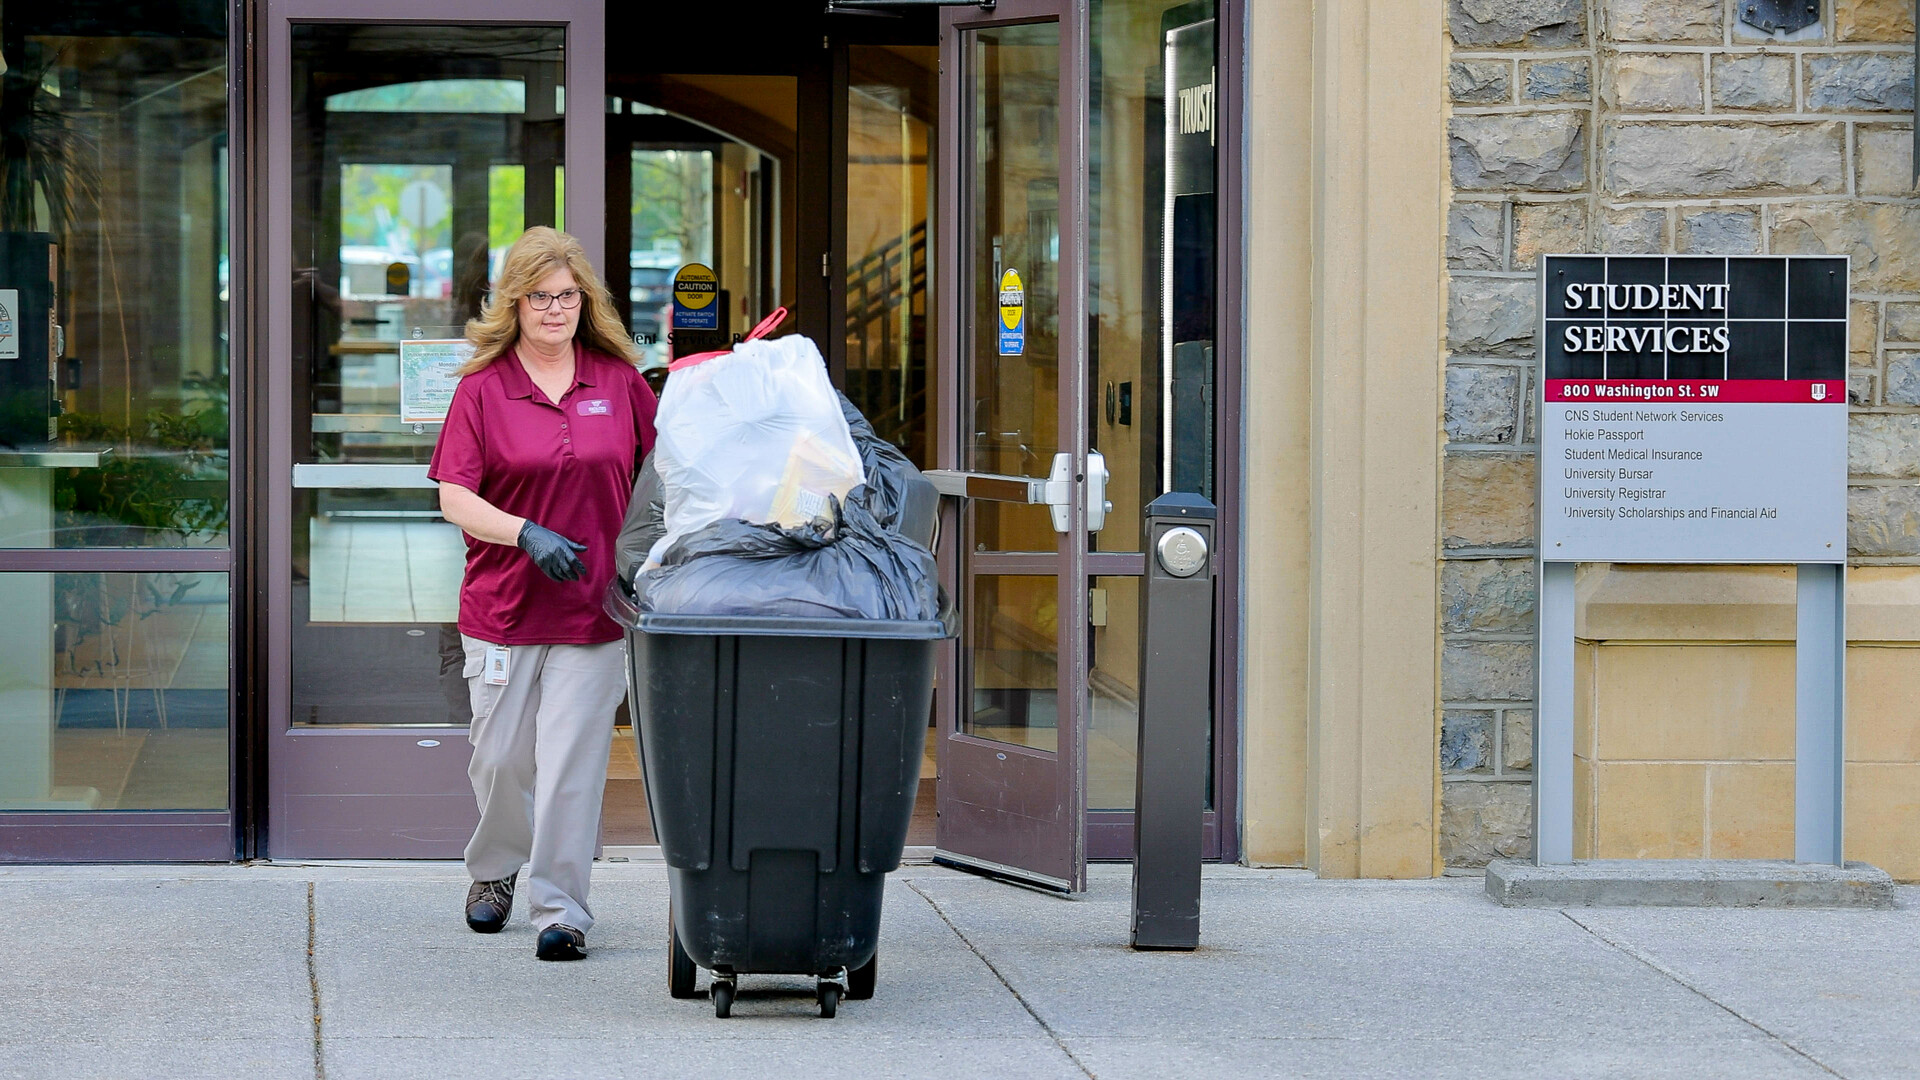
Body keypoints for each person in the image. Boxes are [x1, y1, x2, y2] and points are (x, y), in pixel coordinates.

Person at [427, 226, 658, 961]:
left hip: (594, 611)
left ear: (584, 303)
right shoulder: (483, 388)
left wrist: (644, 561)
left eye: (567, 297)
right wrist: (526, 533)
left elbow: (661, 483)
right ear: (515, 303)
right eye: (539, 298)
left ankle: (562, 910)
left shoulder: (619, 383)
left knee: (570, 767)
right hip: (503, 608)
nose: (554, 310)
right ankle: (493, 872)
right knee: (501, 758)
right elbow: (455, 499)